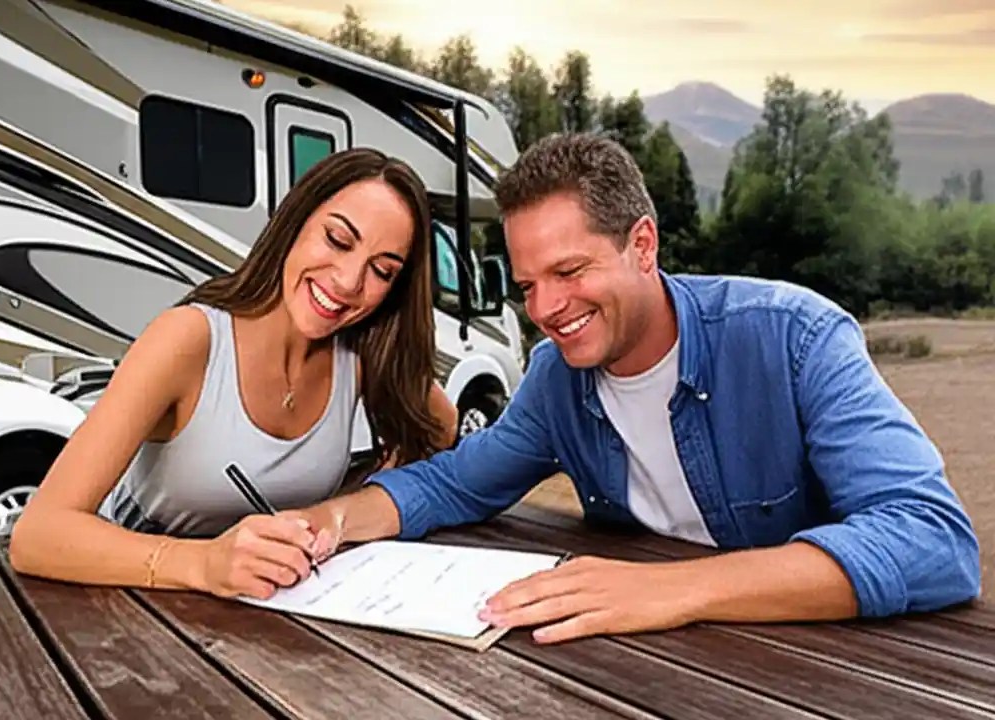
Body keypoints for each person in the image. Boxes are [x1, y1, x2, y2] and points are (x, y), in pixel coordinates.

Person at [293, 132, 982, 644]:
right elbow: (452, 484)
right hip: (650, 666)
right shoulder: (555, 380)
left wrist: (674, 589)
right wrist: (326, 524)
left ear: (643, 246)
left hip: (827, 665)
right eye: (529, 285)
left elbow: (934, 541)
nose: (546, 309)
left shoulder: (793, 337)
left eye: (570, 271)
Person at [9, 147, 458, 600]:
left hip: (263, 617)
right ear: (294, 222)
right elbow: (37, 535)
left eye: (382, 271)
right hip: (127, 601)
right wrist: (204, 563)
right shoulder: (189, 339)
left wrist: (345, 509)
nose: (348, 281)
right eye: (338, 241)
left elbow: (440, 426)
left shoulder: (358, 356)